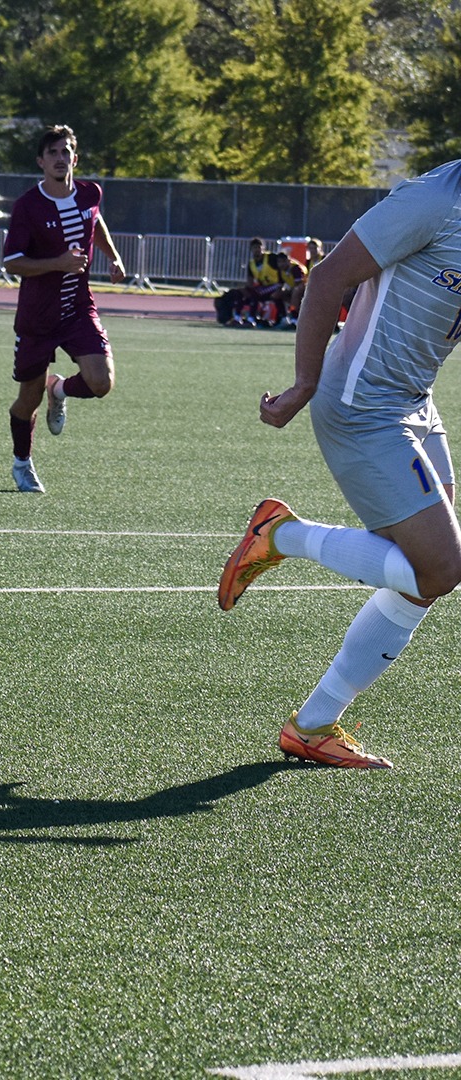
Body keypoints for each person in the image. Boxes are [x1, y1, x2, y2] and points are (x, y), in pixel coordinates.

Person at [217, 159, 461, 769]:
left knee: (419, 576)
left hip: (412, 404)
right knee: (439, 568)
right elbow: (326, 279)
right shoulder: (435, 199)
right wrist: (304, 383)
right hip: (362, 405)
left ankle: (313, 725)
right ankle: (282, 535)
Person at [0, 125, 127, 493]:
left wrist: (113, 256)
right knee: (27, 400)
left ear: (75, 158)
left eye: (65, 151)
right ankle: (22, 463)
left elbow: (94, 218)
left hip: (77, 307)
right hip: (38, 316)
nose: (60, 158)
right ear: (41, 161)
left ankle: (60, 390)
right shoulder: (28, 206)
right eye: (52, 152)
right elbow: (12, 262)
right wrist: (57, 263)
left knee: (101, 383)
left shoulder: (90, 193)